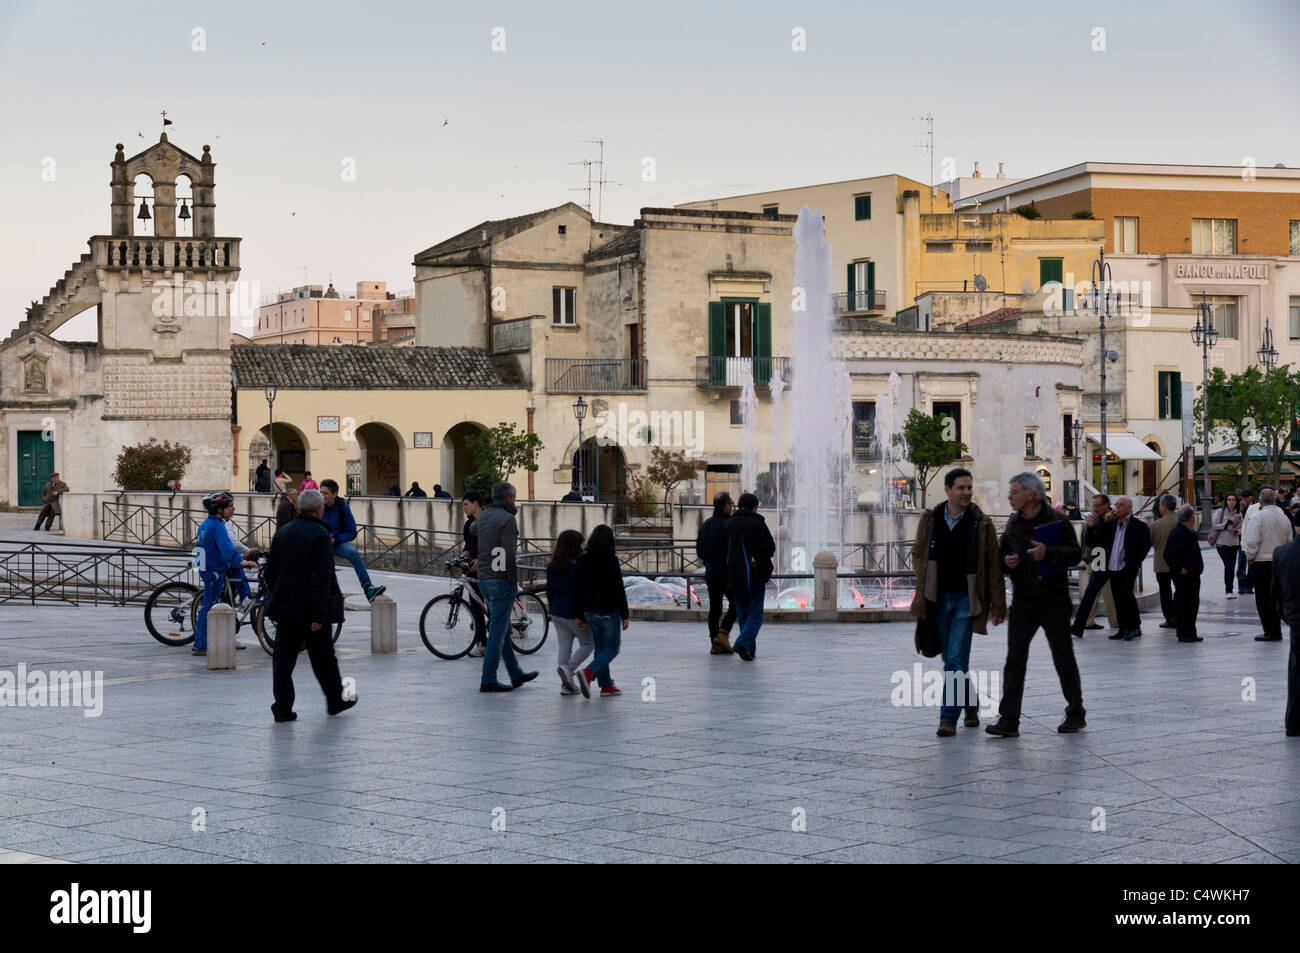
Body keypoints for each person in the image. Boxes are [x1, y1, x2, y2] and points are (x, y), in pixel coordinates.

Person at [987, 472, 1086, 738]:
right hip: (1023, 601)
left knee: (1063, 658)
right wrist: (1008, 561)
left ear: (1030, 494)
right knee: (1014, 660)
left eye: (1014, 491)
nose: (1010, 496)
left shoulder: (1057, 521)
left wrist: (1049, 553)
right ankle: (1009, 719)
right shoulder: (1014, 523)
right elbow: (1001, 555)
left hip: (1053, 600)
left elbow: (1075, 555)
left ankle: (1076, 713)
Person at [909, 468, 1006, 737]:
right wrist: (923, 577)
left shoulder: (981, 523)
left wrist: (998, 606)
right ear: (948, 489)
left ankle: (948, 718)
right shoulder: (931, 519)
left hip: (967, 599)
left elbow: (993, 566)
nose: (966, 493)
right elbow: (917, 553)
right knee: (953, 661)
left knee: (955, 659)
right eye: (961, 488)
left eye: (969, 488)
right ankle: (971, 703)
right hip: (936, 599)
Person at [264, 488, 356, 722]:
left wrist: (279, 595)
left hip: (286, 609)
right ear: (319, 510)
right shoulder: (319, 534)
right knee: (323, 657)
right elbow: (322, 576)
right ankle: (336, 700)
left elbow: (270, 571)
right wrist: (319, 614)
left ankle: (282, 708)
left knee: (283, 660)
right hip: (311, 610)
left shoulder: (283, 532)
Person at [474, 481, 537, 692]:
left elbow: (474, 529)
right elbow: (508, 554)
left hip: (484, 579)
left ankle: (516, 674)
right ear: (509, 498)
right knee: (497, 633)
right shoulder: (508, 519)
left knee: (502, 628)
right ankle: (488, 679)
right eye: (514, 497)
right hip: (501, 580)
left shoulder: (483, 516)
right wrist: (511, 580)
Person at [193, 492, 257, 657]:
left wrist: (203, 568)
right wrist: (241, 561)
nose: (233, 508)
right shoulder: (218, 526)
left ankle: (208, 640)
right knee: (208, 606)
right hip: (214, 571)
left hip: (209, 569)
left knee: (209, 606)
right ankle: (200, 644)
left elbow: (203, 549)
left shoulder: (206, 525)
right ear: (220, 509)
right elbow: (226, 547)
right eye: (230, 506)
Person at [574, 524, 629, 696]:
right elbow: (619, 588)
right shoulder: (611, 560)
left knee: (600, 649)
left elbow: (578, 589)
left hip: (590, 611)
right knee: (612, 649)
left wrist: (579, 615)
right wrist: (624, 614)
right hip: (608, 610)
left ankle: (605, 685)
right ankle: (588, 673)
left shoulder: (582, 560)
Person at [724, 492, 776, 662]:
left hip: (734, 575)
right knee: (755, 614)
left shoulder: (729, 523)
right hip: (754, 575)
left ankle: (748, 650)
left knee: (743, 612)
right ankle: (742, 643)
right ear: (754, 507)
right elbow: (769, 548)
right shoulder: (757, 523)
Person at [319, 479, 386, 603]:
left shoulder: (342, 508)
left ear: (335, 494)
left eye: (325, 493)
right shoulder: (316, 505)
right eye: (320, 492)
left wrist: (336, 539)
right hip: (317, 544)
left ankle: (368, 588)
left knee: (353, 553)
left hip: (335, 544)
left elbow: (351, 532)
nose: (322, 496)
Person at [1243, 487, 1291, 642]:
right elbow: (1289, 539)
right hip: (1279, 560)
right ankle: (1276, 628)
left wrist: (1250, 557)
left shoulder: (1258, 517)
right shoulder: (1283, 517)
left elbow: (1252, 541)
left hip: (1262, 561)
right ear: (1275, 500)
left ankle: (1270, 631)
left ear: (1260, 501)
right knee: (1276, 596)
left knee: (1263, 598)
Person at [548, 530, 592, 696]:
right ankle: (568, 669)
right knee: (588, 644)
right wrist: (581, 615)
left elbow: (549, 590)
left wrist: (551, 610)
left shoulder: (553, 564)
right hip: (572, 611)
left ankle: (566, 685)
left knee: (564, 647)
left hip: (556, 611)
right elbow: (580, 591)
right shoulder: (578, 564)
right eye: (581, 543)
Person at [695, 492, 737, 654]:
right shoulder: (730, 525)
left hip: (711, 571)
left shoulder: (706, 525)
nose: (732, 507)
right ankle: (723, 633)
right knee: (737, 604)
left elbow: (700, 551)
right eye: (731, 504)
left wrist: (709, 561)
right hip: (727, 572)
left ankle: (715, 642)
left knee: (715, 608)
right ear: (725, 506)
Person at [1105, 496, 1152, 641]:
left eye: (1121, 505)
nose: (1116, 507)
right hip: (1112, 567)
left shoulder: (1139, 526)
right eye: (1116, 504)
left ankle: (1133, 627)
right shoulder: (1110, 524)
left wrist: (1134, 561)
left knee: (1126, 596)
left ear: (1129, 508)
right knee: (1117, 598)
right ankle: (1122, 627)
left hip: (1127, 567)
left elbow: (1145, 546)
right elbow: (1097, 539)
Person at [1070, 493, 1117, 639]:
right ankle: (1079, 626)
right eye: (1093, 505)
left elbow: (1112, 538)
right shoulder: (1096, 520)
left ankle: (1119, 623)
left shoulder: (1114, 518)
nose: (1094, 508)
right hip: (1099, 561)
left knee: (1113, 595)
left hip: (1112, 562)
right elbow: (1091, 542)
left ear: (1106, 504)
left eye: (1097, 505)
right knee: (1090, 594)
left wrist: (1104, 522)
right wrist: (1090, 527)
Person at [1268, 531, 1300, 735]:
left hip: (1296, 618)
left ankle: (1294, 722)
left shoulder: (1282, 552)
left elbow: (1274, 591)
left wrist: (1285, 614)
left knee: (1296, 670)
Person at [1164, 504, 1204, 642]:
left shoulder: (1186, 531)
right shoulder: (1179, 532)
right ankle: (1184, 633)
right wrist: (1180, 568)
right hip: (1184, 576)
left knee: (1192, 604)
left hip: (1192, 575)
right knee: (1185, 604)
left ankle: (1191, 632)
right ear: (1191, 517)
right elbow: (1168, 554)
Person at [460, 490, 486, 657]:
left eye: (466, 504)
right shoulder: (468, 525)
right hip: (472, 570)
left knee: (492, 608)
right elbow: (468, 546)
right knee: (476, 608)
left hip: (487, 568)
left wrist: (481, 561)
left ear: (475, 503)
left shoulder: (486, 522)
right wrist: (463, 556)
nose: (463, 508)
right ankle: (482, 643)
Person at [1149, 495, 1179, 629]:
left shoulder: (1156, 524)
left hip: (1162, 564)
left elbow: (1150, 542)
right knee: (1180, 590)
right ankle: (1177, 614)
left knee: (1165, 592)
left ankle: (1169, 618)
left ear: (1164, 507)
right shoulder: (1182, 520)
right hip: (1180, 563)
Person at [1213, 493, 1244, 599]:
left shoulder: (1239, 514)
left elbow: (1242, 530)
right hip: (1222, 543)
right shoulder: (1220, 512)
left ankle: (1230, 590)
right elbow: (1215, 525)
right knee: (1228, 566)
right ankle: (1228, 590)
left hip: (1234, 543)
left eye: (1233, 500)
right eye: (1229, 499)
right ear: (1226, 501)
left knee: (1231, 567)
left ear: (1236, 502)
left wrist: (1236, 531)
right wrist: (1226, 525)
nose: (1231, 502)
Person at [1238, 489, 1257, 595]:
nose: (1244, 500)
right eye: (1242, 498)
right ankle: (1241, 586)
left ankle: (1249, 586)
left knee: (1251, 564)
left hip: (1251, 540)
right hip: (1240, 540)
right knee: (1241, 563)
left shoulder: (1256, 508)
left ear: (1251, 497)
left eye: (1245, 497)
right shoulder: (1240, 508)